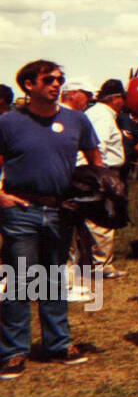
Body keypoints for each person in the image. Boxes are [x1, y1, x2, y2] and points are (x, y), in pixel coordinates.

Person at [0, 60, 102, 379]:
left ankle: (58, 344)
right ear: (29, 85)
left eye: (60, 79)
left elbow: (95, 158)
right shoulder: (8, 122)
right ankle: (13, 352)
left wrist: (96, 191)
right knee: (20, 279)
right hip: (21, 210)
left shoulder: (76, 120)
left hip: (60, 211)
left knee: (54, 278)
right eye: (49, 79)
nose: (56, 84)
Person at [83, 79, 129, 279]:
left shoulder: (97, 113)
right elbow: (98, 144)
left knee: (92, 218)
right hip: (103, 170)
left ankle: (91, 261)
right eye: (122, 98)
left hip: (95, 170)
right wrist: (101, 173)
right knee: (103, 218)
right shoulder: (103, 116)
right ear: (116, 99)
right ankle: (102, 264)